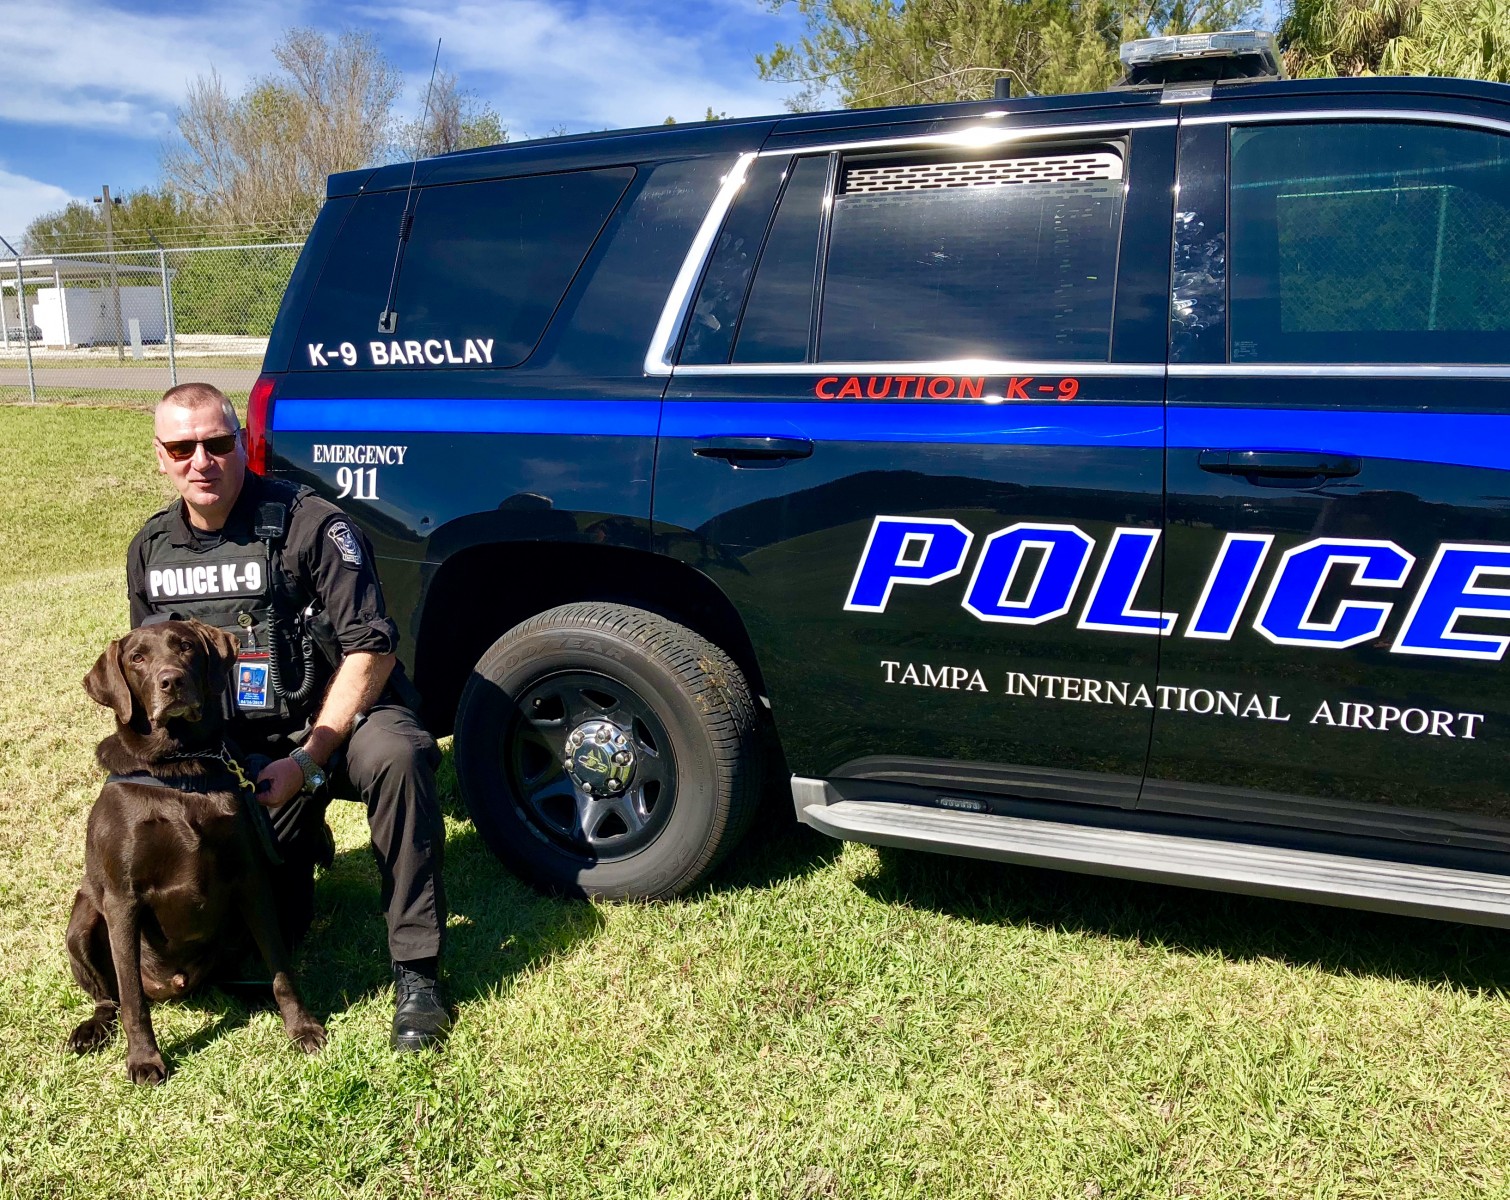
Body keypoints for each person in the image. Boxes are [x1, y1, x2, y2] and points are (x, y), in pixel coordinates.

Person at [126, 382, 450, 1052]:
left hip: (346, 724)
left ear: (242, 442)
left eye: (217, 443)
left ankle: (417, 971)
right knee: (273, 919)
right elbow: (155, 679)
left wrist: (309, 760)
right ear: (160, 456)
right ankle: (293, 863)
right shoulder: (153, 550)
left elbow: (373, 650)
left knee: (399, 755)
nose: (201, 461)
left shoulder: (308, 523)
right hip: (247, 750)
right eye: (182, 448)